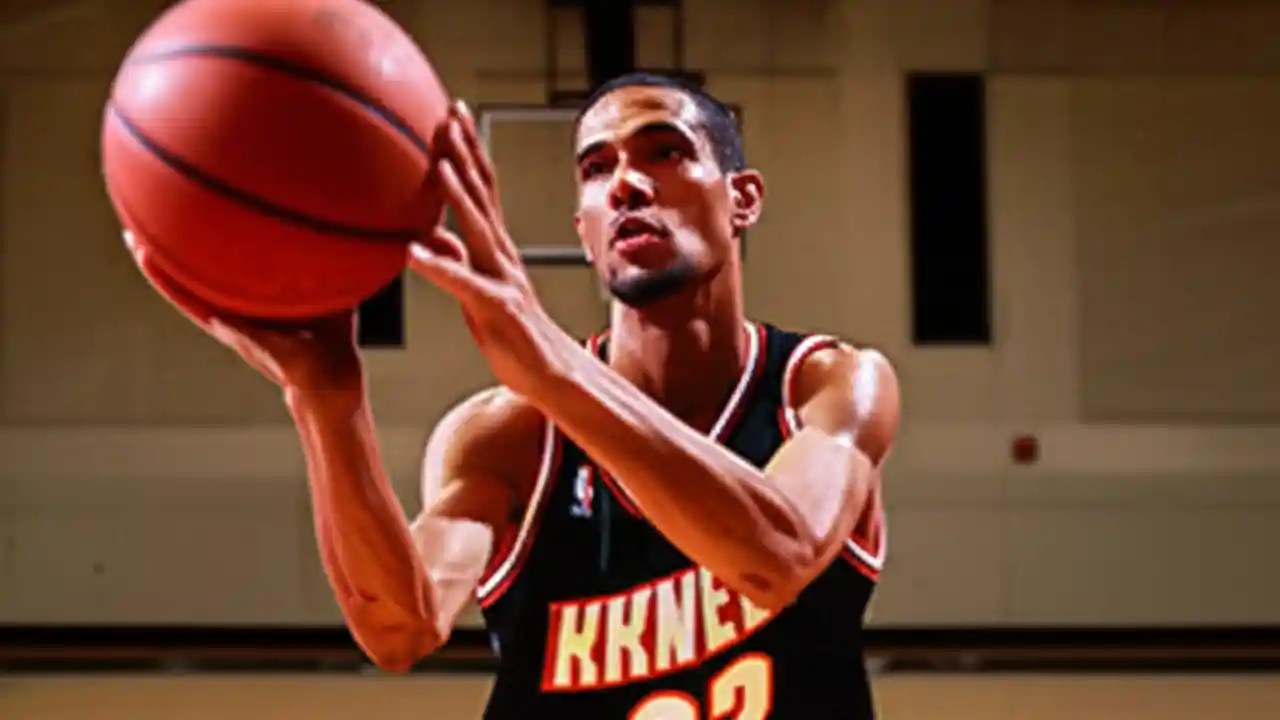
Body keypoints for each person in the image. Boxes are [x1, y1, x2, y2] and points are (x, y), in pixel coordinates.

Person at [126, 72, 900, 719]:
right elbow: (400, 626)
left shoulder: (825, 385)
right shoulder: (509, 437)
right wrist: (327, 404)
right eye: (597, 169)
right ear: (583, 229)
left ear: (743, 198)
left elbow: (780, 553)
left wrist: (551, 366)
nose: (627, 182)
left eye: (665, 152)